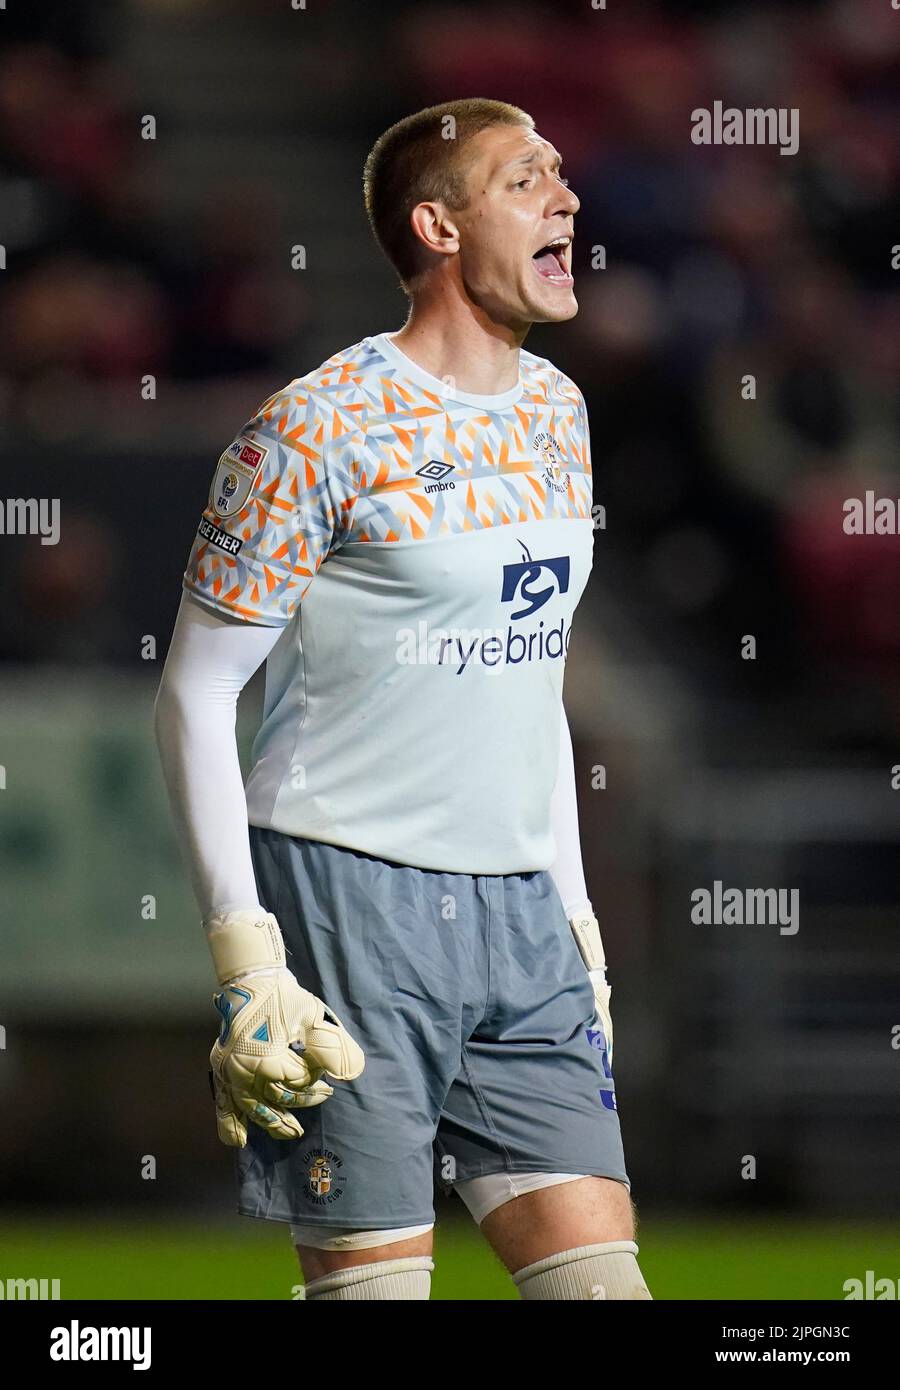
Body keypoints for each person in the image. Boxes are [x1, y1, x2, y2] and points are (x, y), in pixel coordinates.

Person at [155, 97, 651, 1302]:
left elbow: (532, 683)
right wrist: (244, 955)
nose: (566, 198)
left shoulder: (559, 412)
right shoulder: (313, 430)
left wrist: (574, 921)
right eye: (526, 180)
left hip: (522, 912)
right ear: (438, 224)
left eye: (562, 174)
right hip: (346, 896)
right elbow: (193, 692)